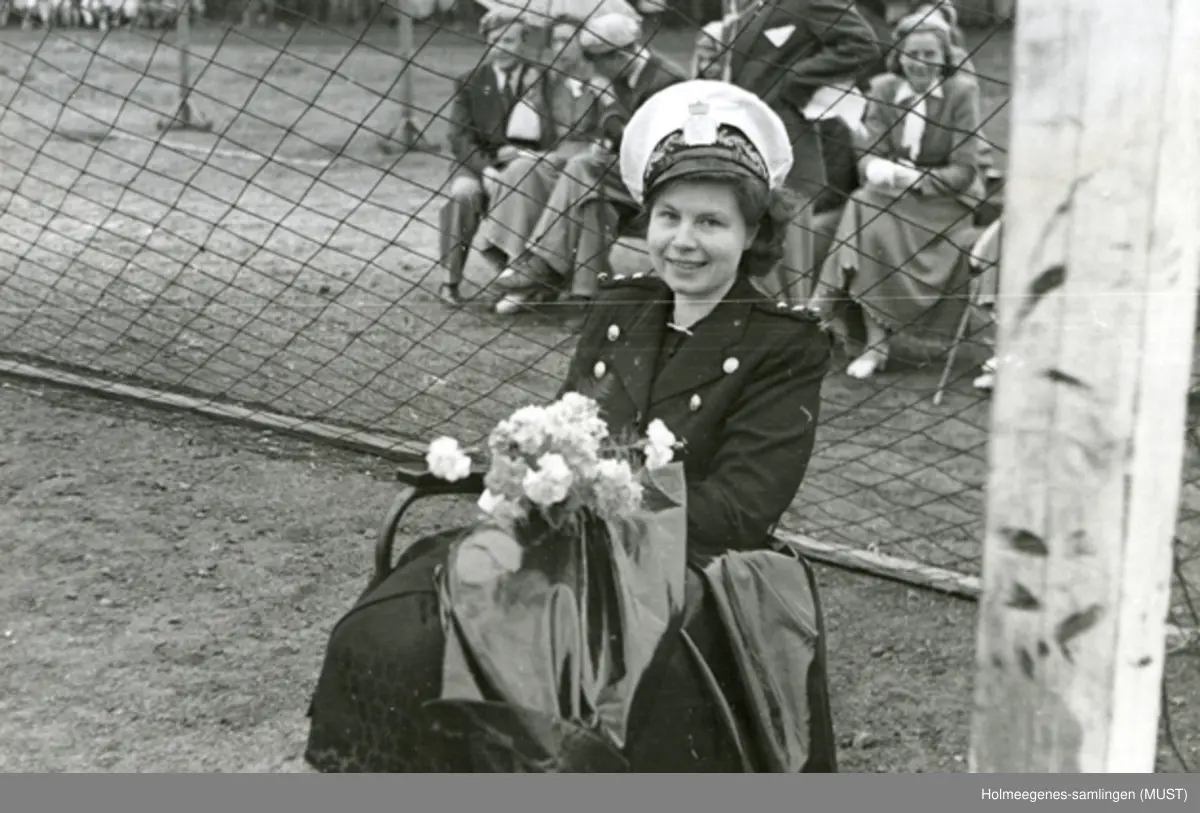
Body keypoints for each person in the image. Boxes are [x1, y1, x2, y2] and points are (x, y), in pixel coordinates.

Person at [305, 79, 837, 773]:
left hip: (693, 565)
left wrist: (609, 500)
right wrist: (532, 468)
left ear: (753, 234)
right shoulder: (623, 308)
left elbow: (743, 506)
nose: (683, 241)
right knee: (405, 625)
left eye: (712, 223)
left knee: (563, 674)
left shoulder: (783, 345)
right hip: (577, 541)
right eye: (669, 217)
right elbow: (573, 423)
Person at [808, 11, 988, 379]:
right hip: (888, 200)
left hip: (944, 202)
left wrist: (912, 178)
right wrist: (875, 167)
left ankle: (824, 311)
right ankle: (873, 343)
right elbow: (868, 153)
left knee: (863, 207)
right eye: (912, 54)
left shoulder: (961, 92)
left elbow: (964, 169)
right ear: (898, 56)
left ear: (945, 57)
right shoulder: (884, 89)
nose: (919, 64)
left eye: (929, 55)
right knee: (867, 215)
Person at [491, 12, 688, 316]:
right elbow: (617, 133)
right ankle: (582, 295)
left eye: (597, 61)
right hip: (618, 176)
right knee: (587, 195)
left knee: (582, 167)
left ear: (621, 55)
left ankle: (542, 262)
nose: (593, 69)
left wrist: (608, 105)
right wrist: (607, 144)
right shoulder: (622, 76)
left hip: (657, 183)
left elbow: (650, 146)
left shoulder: (667, 82)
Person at [725, 0, 882, 303]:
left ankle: (793, 338)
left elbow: (862, 44)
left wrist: (797, 80)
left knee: (788, 265)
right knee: (755, 268)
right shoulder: (748, 11)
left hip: (791, 156)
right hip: (749, 151)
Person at [471, 14, 611, 277]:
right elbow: (531, 131)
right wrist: (533, 93)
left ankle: (540, 269)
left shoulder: (601, 79)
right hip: (553, 156)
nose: (561, 46)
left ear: (583, 43)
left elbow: (611, 128)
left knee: (539, 169)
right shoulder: (546, 80)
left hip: (589, 159)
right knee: (518, 169)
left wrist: (602, 97)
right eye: (556, 40)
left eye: (568, 39)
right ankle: (515, 259)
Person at [436, 8, 543, 306]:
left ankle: (526, 282)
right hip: (478, 165)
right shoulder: (469, 82)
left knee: (529, 185)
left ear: (523, 42)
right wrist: (485, 169)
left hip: (525, 165)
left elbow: (552, 131)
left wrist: (522, 153)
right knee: (463, 193)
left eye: (510, 40)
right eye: (496, 40)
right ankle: (450, 280)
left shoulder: (541, 80)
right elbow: (459, 138)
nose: (502, 48)